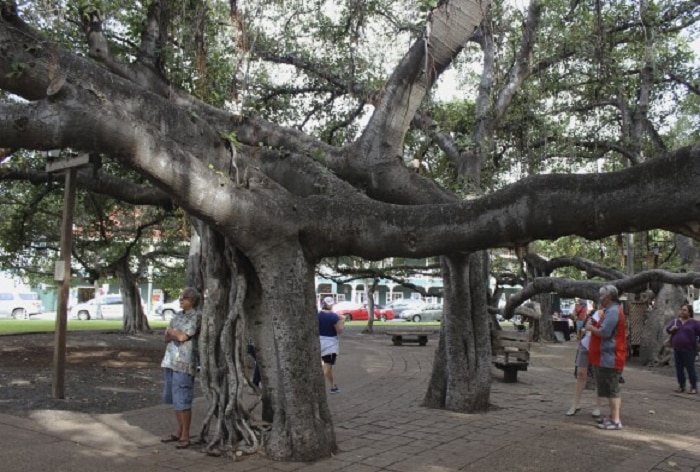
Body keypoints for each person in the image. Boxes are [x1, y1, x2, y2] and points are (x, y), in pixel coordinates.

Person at [160, 287, 202, 449]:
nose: (180, 300)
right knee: (174, 399)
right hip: (170, 361)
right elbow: (166, 337)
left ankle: (186, 434)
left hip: (184, 363)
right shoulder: (177, 316)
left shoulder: (196, 316)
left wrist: (172, 332)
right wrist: (173, 332)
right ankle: (179, 430)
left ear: (192, 301)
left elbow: (183, 336)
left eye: (184, 298)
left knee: (183, 398)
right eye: (180, 298)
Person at [586, 285, 626, 430]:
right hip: (605, 356)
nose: (600, 298)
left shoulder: (613, 311)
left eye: (601, 295)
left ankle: (616, 420)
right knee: (608, 389)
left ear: (608, 297)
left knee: (612, 389)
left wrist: (591, 328)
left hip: (611, 356)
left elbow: (605, 332)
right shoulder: (609, 311)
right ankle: (612, 417)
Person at [566, 301, 603, 417]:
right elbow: (585, 328)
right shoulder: (593, 313)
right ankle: (575, 404)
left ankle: (598, 406)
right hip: (585, 344)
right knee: (581, 374)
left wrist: (591, 328)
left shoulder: (609, 314)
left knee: (599, 376)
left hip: (599, 347)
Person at [666, 303, 700, 394]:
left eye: (684, 310)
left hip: (689, 349)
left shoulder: (694, 323)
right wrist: (672, 329)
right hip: (677, 349)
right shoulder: (676, 321)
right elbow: (668, 330)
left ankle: (693, 387)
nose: (682, 312)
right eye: (681, 310)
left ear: (689, 312)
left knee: (690, 368)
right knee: (679, 368)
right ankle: (681, 386)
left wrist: (698, 343)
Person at [318, 296, 344, 394]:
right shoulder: (334, 317)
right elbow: (340, 330)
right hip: (330, 344)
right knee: (328, 365)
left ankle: (333, 386)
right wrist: (342, 321)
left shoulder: (318, 315)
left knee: (328, 367)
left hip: (319, 341)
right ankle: (317, 386)